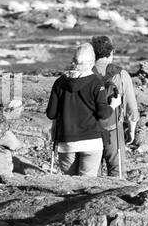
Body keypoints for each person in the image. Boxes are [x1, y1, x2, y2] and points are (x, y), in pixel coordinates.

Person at [46, 41, 118, 177]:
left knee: (71, 184)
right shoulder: (96, 83)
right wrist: (113, 105)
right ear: (91, 63)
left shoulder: (60, 82)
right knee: (86, 185)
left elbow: (51, 114)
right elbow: (103, 114)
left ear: (73, 61)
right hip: (91, 141)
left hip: (67, 142)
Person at [90, 34, 140, 176]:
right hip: (113, 129)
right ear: (111, 52)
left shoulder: (86, 72)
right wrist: (131, 131)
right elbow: (131, 108)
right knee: (117, 172)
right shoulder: (121, 74)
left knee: (91, 173)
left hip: (88, 129)